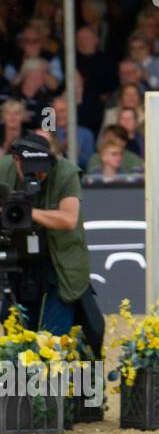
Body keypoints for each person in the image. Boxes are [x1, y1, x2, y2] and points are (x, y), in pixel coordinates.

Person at [0, 134, 102, 352]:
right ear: (16, 160)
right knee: (16, 342)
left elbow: (68, 219)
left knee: (52, 341)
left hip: (59, 263)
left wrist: (27, 213)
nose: (38, 175)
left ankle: (49, 382)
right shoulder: (4, 169)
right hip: (17, 262)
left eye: (42, 169)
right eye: (31, 170)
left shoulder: (65, 172)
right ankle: (21, 383)